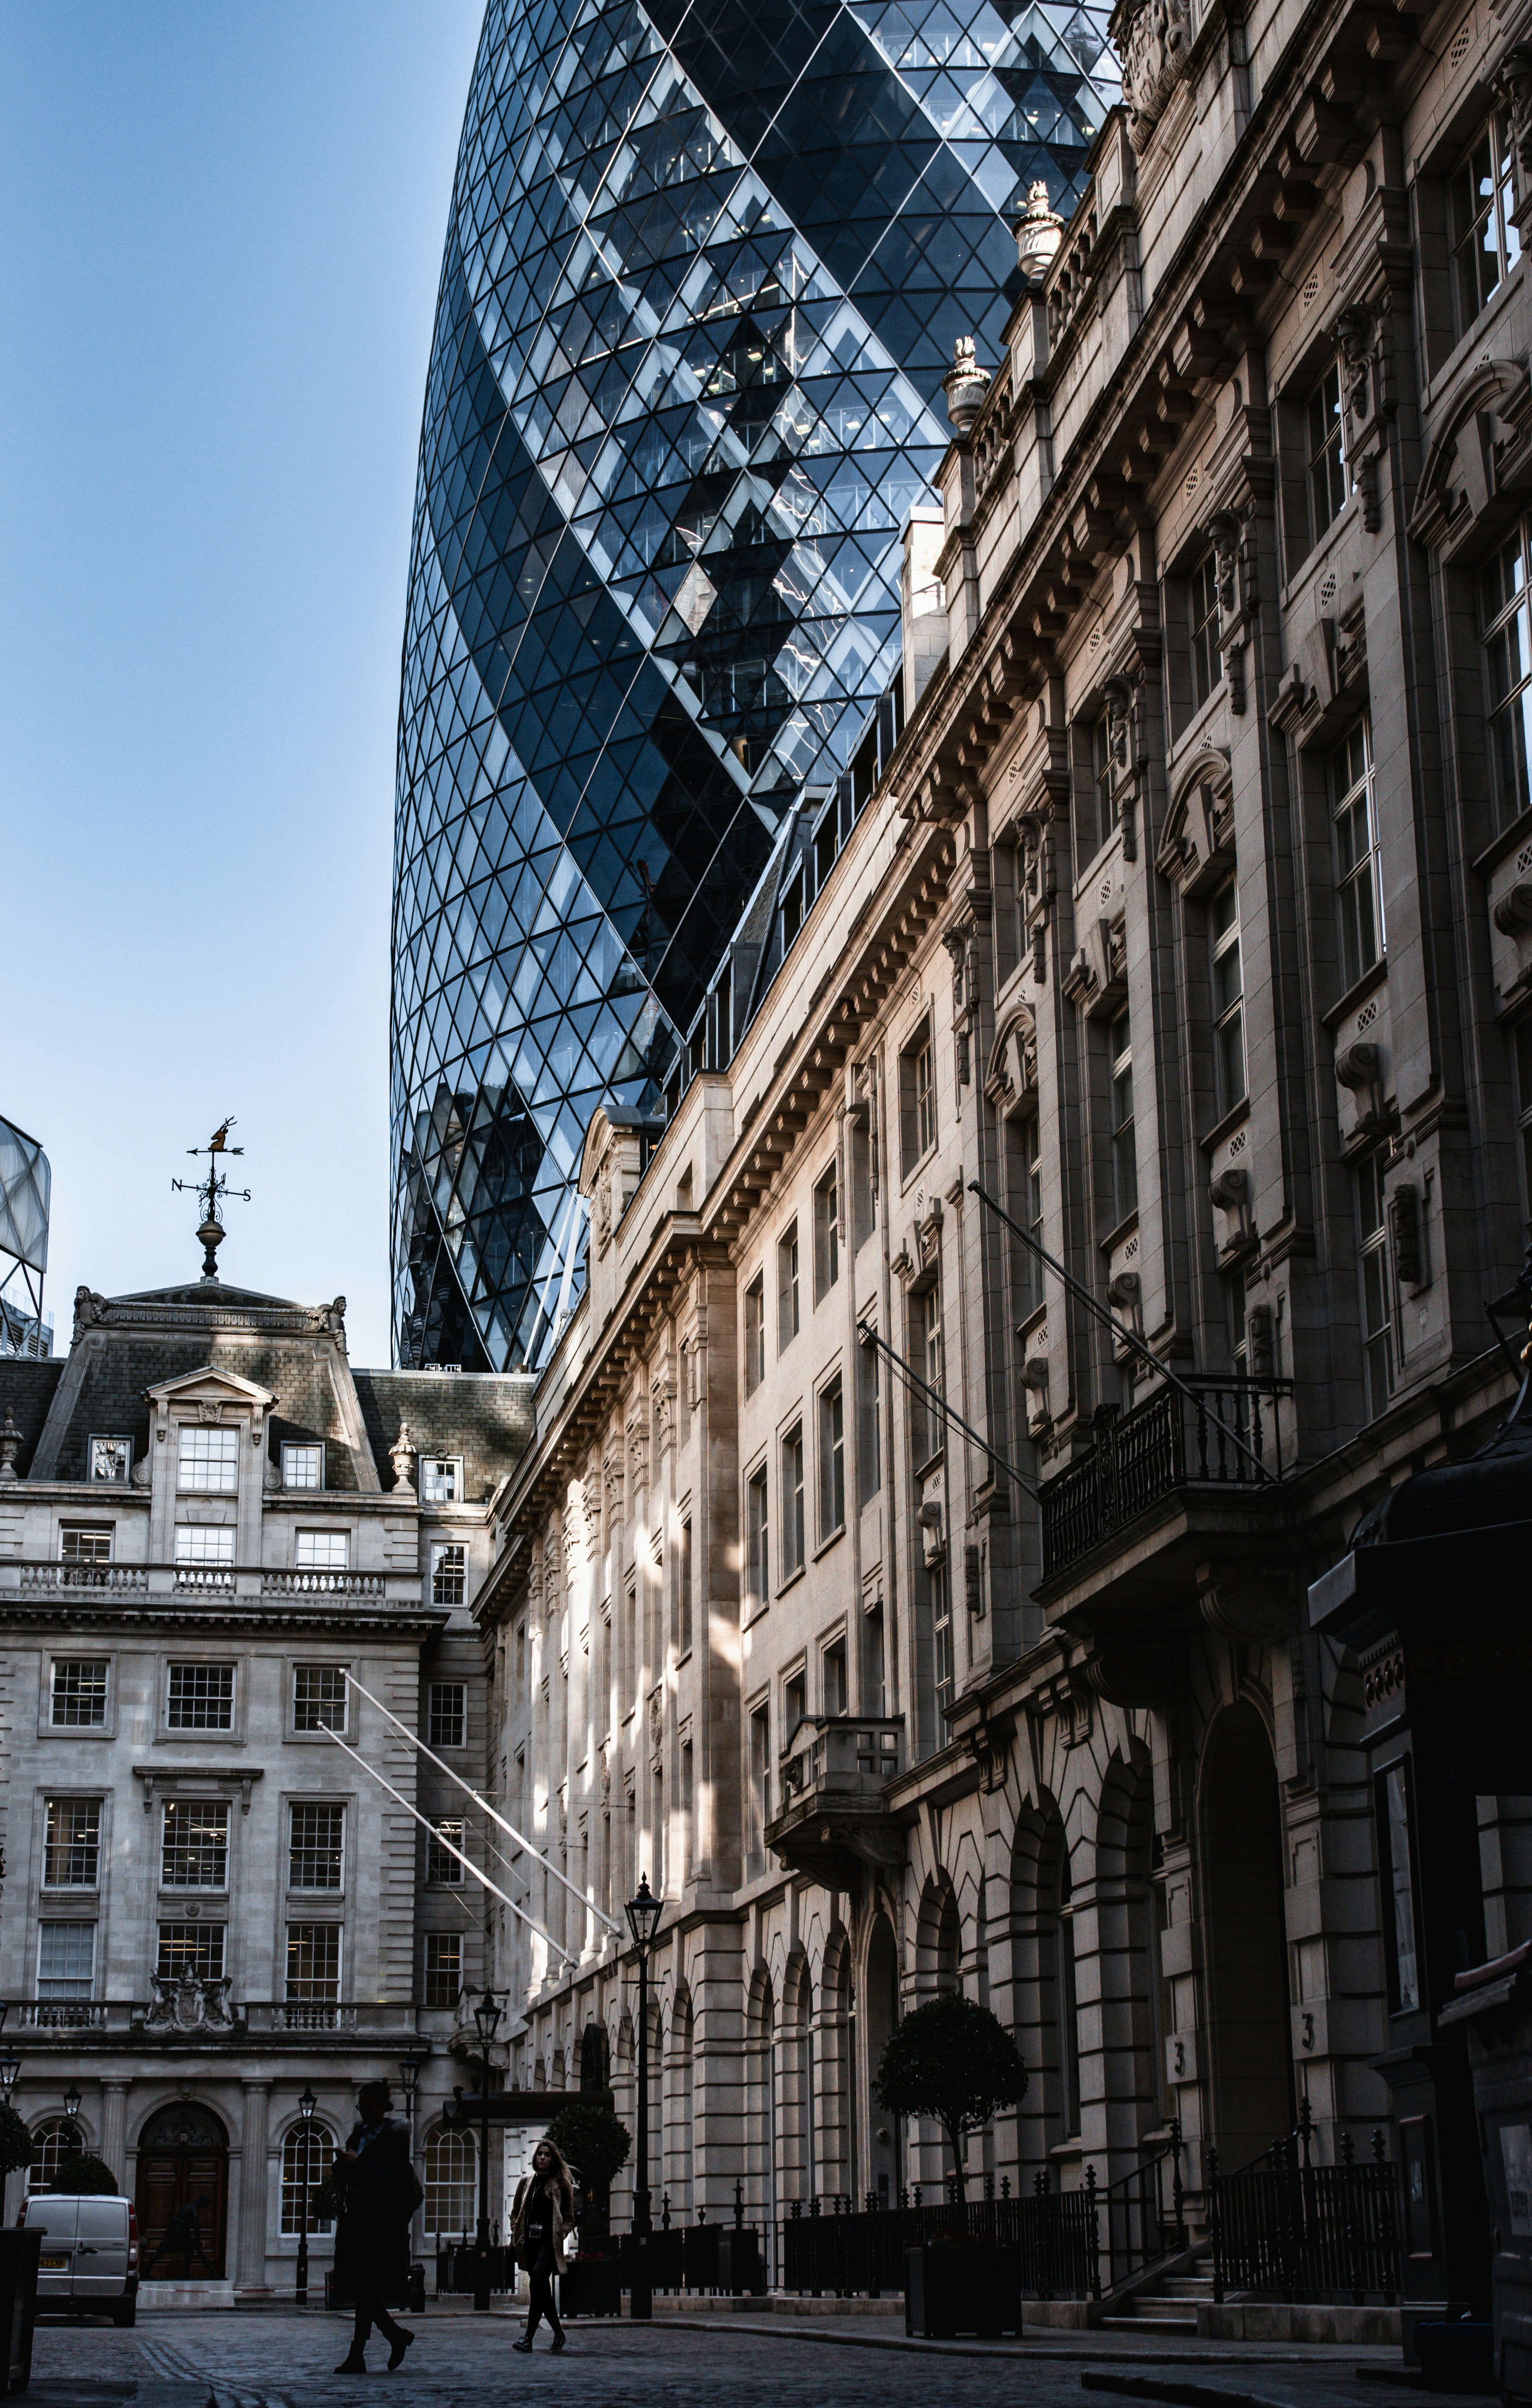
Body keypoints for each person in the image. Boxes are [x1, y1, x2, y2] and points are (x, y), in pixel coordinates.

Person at [331, 2081, 418, 2374]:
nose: (364, 2111)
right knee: (359, 2287)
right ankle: (393, 2335)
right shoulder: (359, 2132)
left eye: (369, 2106)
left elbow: (393, 2177)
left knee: (364, 2287)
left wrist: (358, 2164)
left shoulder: (396, 2136)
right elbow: (348, 2174)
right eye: (361, 2106)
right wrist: (342, 2164)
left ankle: (363, 2352)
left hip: (381, 2222)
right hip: (356, 2219)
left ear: (383, 2106)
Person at [509, 2138, 577, 2353]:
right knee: (540, 2289)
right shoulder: (526, 2183)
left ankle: (528, 2338)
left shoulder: (560, 2185)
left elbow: (569, 2217)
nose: (543, 2158)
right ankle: (558, 2334)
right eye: (540, 2154)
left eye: (547, 2155)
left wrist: (562, 2232)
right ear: (535, 2158)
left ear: (553, 2159)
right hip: (529, 2243)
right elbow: (515, 2212)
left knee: (538, 2280)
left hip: (549, 2244)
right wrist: (515, 2227)